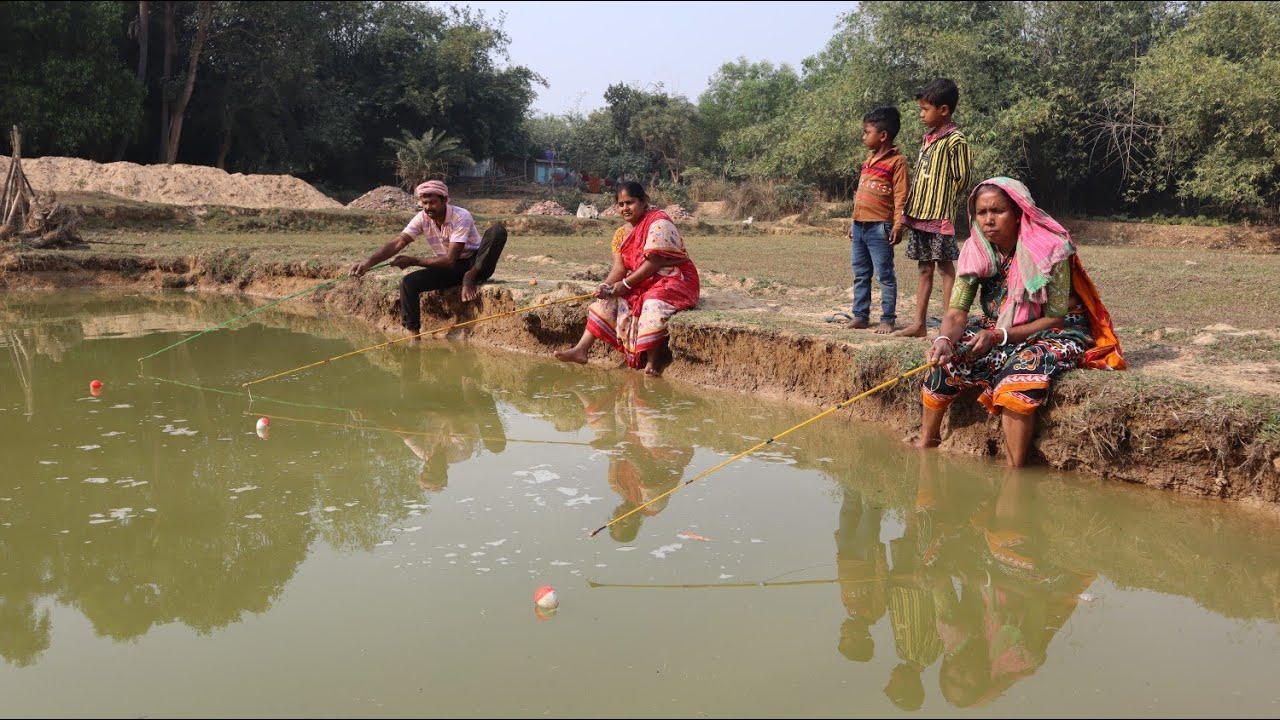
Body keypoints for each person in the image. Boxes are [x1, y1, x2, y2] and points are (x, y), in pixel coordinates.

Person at [916, 177, 1126, 467]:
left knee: (1020, 374)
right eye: (981, 213)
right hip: (998, 328)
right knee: (947, 358)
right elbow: (955, 314)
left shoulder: (1051, 250)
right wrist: (943, 340)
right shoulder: (976, 251)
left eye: (997, 211)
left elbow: (1055, 317)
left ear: (1018, 214)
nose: (988, 220)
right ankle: (927, 441)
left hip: (1055, 331)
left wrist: (1000, 336)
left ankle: (1015, 471)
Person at [553, 181, 700, 376]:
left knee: (651, 303)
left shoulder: (659, 222)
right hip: (642, 279)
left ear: (644, 201)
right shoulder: (621, 234)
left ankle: (653, 362)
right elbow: (619, 268)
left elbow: (655, 263)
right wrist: (606, 285)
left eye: (629, 202)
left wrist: (625, 284)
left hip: (674, 276)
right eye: (621, 204)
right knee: (606, 301)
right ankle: (581, 349)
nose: (625, 208)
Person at [349, 180, 507, 336]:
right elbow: (398, 242)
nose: (427, 207)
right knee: (408, 283)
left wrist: (413, 261)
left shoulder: (461, 216)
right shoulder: (422, 218)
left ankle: (470, 276)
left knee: (497, 231)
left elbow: (450, 259)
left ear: (445, 200)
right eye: (424, 203)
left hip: (476, 263)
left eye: (432, 202)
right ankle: (413, 336)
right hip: (450, 267)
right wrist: (368, 262)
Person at [895, 79, 973, 338]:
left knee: (945, 267)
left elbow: (962, 179)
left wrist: (944, 200)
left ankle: (948, 326)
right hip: (920, 214)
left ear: (944, 110)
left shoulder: (955, 140)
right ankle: (919, 324)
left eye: (925, 109)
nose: (920, 114)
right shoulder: (928, 139)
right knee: (924, 267)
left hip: (939, 215)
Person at [847, 105, 909, 334]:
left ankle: (887, 318)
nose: (864, 137)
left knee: (885, 274)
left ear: (882, 135)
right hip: (860, 225)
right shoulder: (869, 159)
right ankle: (860, 315)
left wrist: (899, 224)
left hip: (879, 228)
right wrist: (853, 221)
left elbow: (901, 195)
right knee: (861, 273)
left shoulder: (898, 162)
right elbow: (860, 193)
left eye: (867, 132)